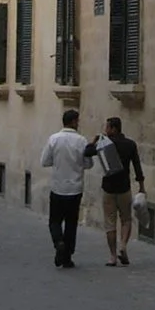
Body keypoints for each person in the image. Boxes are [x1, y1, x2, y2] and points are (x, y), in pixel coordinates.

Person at [88, 117, 145, 267]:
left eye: (107, 127)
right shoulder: (130, 144)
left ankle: (112, 256)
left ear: (113, 129)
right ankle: (123, 246)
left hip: (108, 188)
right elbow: (137, 166)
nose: (105, 130)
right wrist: (141, 186)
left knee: (110, 222)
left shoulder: (103, 143)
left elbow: (87, 152)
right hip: (124, 188)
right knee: (126, 219)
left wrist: (94, 140)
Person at [37, 109, 90, 268]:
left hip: (58, 187)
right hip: (75, 188)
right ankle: (67, 255)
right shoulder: (81, 141)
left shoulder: (54, 139)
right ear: (74, 122)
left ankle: (58, 242)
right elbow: (88, 164)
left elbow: (44, 161)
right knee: (71, 223)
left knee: (54, 221)